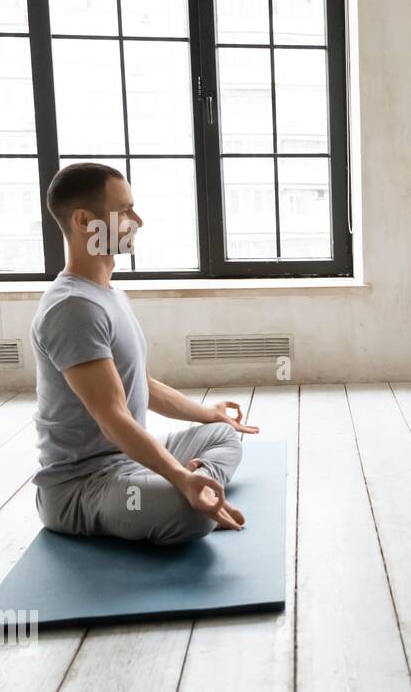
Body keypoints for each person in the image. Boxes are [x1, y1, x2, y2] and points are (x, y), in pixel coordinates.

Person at [31, 162, 257, 545]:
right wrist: (180, 478)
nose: (138, 221)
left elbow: (142, 385)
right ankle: (187, 489)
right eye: (125, 211)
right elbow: (113, 416)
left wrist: (209, 414)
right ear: (85, 221)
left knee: (223, 434)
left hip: (128, 461)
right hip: (82, 486)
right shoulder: (72, 308)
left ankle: (189, 480)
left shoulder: (107, 294)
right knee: (190, 515)